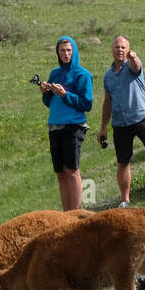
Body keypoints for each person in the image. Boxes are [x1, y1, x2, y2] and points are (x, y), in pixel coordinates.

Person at [98, 35, 145, 206]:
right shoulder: (108, 76)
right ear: (112, 49)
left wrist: (133, 57)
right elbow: (107, 101)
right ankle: (125, 200)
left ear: (128, 49)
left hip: (140, 117)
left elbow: (137, 65)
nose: (120, 50)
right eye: (117, 47)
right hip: (120, 123)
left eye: (124, 47)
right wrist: (103, 127)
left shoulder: (132, 66)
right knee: (123, 162)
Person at [40, 35, 93, 210]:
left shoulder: (82, 74)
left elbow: (87, 104)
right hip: (54, 125)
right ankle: (66, 213)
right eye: (62, 50)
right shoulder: (55, 73)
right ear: (57, 52)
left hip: (72, 126)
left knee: (72, 170)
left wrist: (65, 94)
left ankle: (76, 212)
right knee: (60, 173)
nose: (66, 54)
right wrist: (46, 92)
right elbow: (49, 103)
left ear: (74, 51)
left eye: (69, 50)